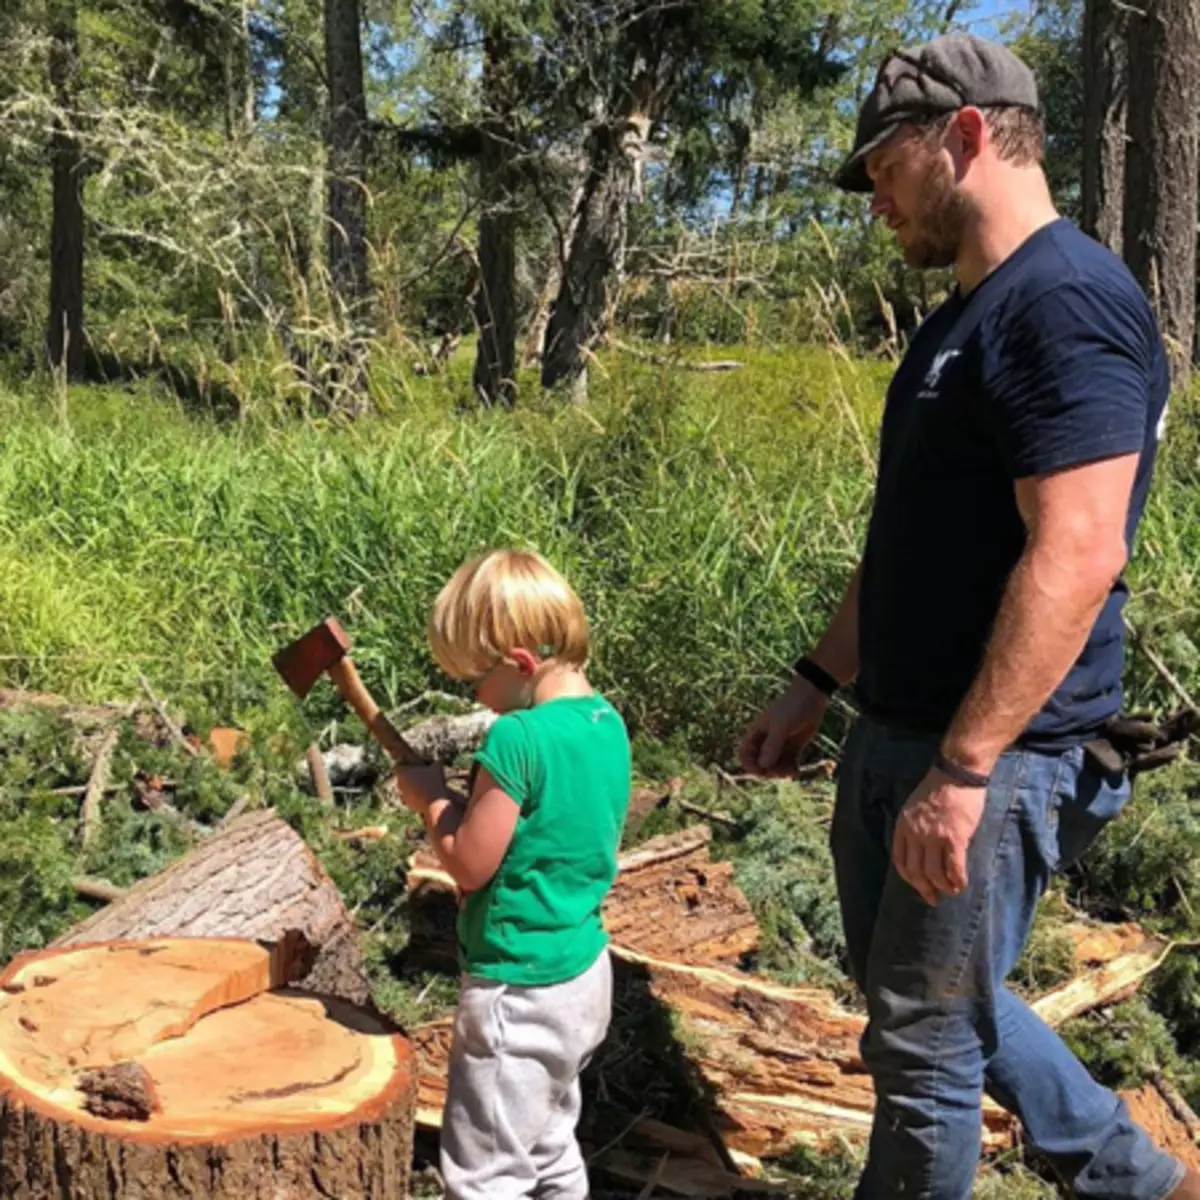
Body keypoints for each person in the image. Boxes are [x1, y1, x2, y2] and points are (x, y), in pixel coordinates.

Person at [739, 31, 1195, 1200]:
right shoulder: (960, 325)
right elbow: (905, 543)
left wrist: (965, 765)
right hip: (903, 732)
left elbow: (1082, 548)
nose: (876, 199)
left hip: (995, 759)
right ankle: (1127, 1178)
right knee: (935, 1005)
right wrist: (812, 684)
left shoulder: (1067, 304)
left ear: (970, 135)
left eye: (888, 167)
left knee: (924, 1050)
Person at [394, 547, 632, 1200]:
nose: (474, 696)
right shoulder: (605, 722)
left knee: (485, 1174)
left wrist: (432, 800)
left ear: (520, 664)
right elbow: (551, 827)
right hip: (583, 972)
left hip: (518, 989)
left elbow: (470, 863)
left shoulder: (516, 739)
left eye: (474, 680)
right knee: (549, 1143)